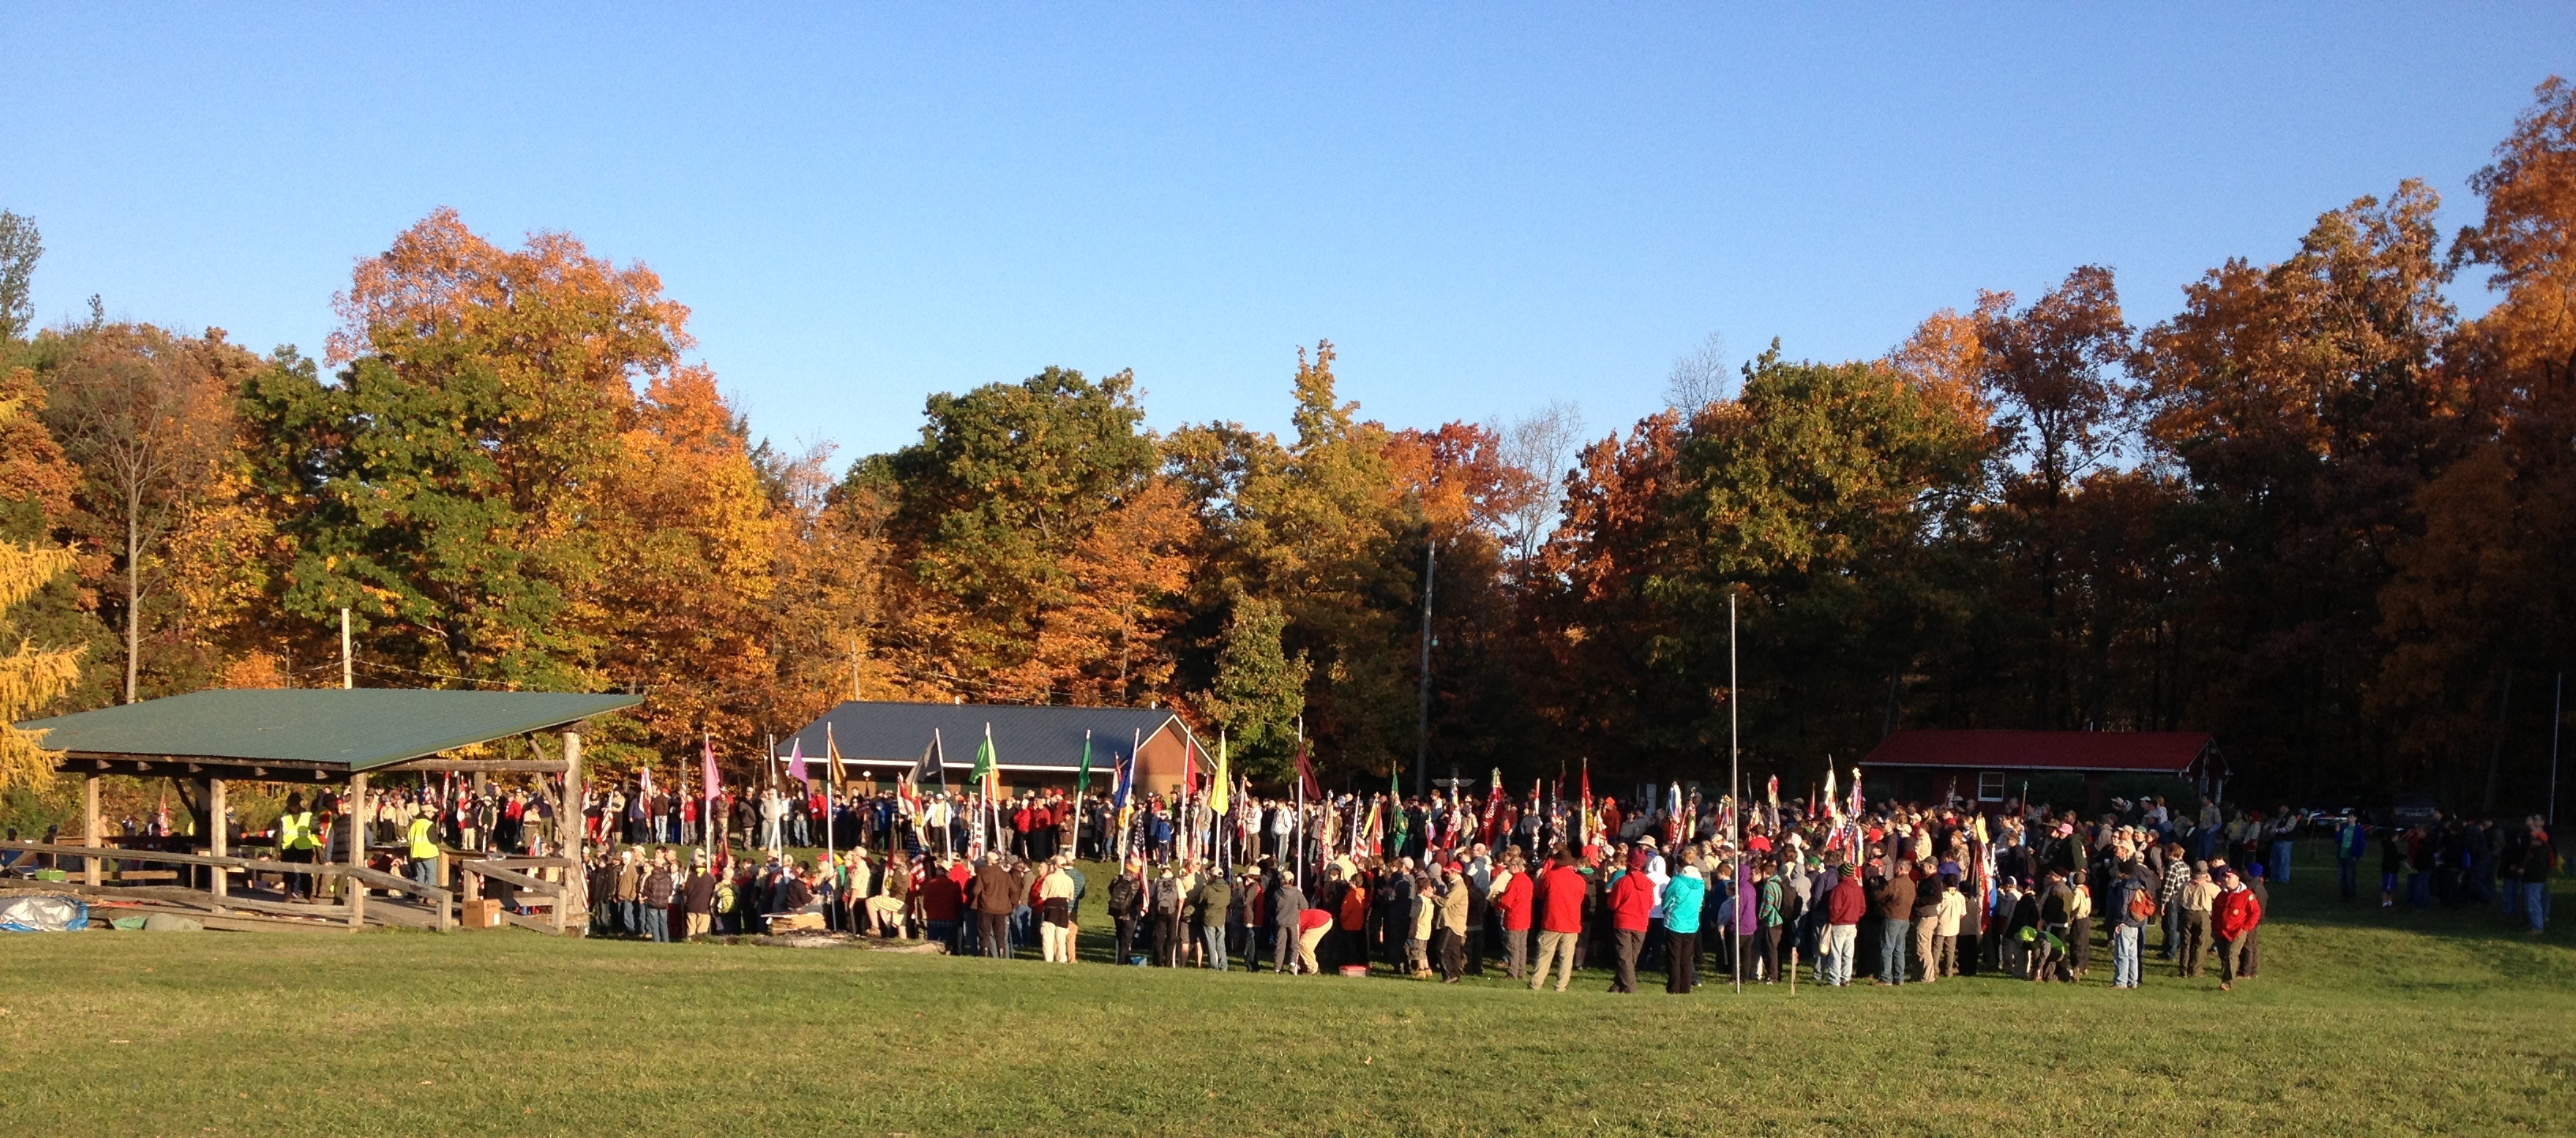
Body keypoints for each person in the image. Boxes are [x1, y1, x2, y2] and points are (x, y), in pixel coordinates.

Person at [1531, 846, 1587, 993]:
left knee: (1545, 954)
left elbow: (1540, 894)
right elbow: (1580, 898)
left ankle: (1536, 983)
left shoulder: (1550, 876)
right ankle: (1561, 986)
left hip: (1552, 920)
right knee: (1566, 957)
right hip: (1572, 922)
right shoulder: (1579, 880)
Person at [1605, 852, 1656, 993]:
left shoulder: (1622, 882)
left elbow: (1613, 904)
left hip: (1624, 921)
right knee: (1631, 957)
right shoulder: (1648, 884)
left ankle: (1630, 988)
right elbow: (1651, 904)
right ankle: (1617, 986)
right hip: (1641, 923)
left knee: (1625, 957)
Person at [1867, 859, 1917, 986]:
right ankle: (1899, 977)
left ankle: (1885, 978)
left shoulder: (1895, 882)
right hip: (1905, 919)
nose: (1894, 869)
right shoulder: (1911, 884)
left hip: (1892, 917)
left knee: (1887, 948)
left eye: (1896, 867)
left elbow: (1878, 895)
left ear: (1900, 869)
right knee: (1899, 949)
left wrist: (1874, 888)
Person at [2213, 866, 2262, 990]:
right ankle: (2227, 975)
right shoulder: (2222, 894)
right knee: (2223, 955)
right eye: (2225, 877)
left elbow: (2255, 912)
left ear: (2237, 879)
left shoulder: (2247, 895)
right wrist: (2215, 926)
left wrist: (2246, 928)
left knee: (2231, 954)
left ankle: (2228, 982)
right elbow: (2216, 911)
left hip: (2238, 931)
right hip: (2222, 931)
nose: (2226, 880)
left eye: (2229, 878)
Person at [1661, 859, 1705, 994]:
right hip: (1692, 924)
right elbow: (1700, 903)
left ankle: (1674, 987)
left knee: (1674, 957)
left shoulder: (1677, 881)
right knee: (1687, 958)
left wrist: (1665, 909)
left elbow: (1668, 898)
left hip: (1675, 922)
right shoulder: (1701, 885)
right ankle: (1686, 987)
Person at [1819, 863, 1864, 987]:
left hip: (1839, 924)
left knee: (1836, 953)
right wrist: (1855, 917)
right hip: (1852, 924)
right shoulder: (1858, 888)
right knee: (1848, 953)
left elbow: (1834, 908)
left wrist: (1832, 920)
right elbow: (1862, 908)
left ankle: (1834, 979)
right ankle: (1846, 978)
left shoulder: (1839, 889)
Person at [1492, 853, 1535, 981]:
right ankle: (1521, 971)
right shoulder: (1527, 880)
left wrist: (1496, 902)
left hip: (1514, 918)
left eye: (1509, 866)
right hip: (1525, 918)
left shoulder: (1515, 881)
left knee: (1512, 947)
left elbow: (1506, 902)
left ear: (1515, 867)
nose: (1507, 868)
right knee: (1522, 947)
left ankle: (1512, 972)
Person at [970, 855, 1019, 960]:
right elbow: (1014, 890)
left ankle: (985, 954)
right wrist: (1011, 903)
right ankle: (1002, 955)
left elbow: (976, 891)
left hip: (985, 907)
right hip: (1002, 909)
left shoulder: (982, 873)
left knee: (985, 932)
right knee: (1000, 934)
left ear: (988, 862)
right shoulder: (1005, 875)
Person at [2177, 864, 2218, 979]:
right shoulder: (2208, 886)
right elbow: (2219, 895)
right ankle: (2196, 970)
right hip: (2202, 915)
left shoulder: (2185, 885)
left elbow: (2178, 901)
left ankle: (2184, 970)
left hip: (2186, 914)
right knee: (2201, 942)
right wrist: (2211, 881)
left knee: (2186, 942)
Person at [2518, 815, 2555, 935]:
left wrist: (2525, 871)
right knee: (2531, 903)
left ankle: (2537, 927)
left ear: (2540, 841)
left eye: (2534, 839)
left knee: (2533, 904)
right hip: (2535, 880)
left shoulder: (2541, 853)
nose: (2531, 840)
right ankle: (2533, 924)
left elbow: (2538, 868)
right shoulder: (2538, 851)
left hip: (2535, 880)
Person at [1036, 857, 1077, 963]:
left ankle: (1048, 959)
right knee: (1061, 937)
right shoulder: (1069, 880)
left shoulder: (1049, 878)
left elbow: (1043, 895)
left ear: (1055, 866)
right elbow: (1071, 897)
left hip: (1050, 906)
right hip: (1063, 907)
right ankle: (1062, 959)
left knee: (1048, 935)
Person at [1194, 869, 1232, 971]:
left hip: (1209, 918)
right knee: (1221, 943)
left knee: (1211, 943)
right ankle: (1223, 965)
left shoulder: (1208, 888)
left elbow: (1200, 901)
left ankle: (1213, 964)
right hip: (1221, 918)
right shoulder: (1227, 888)